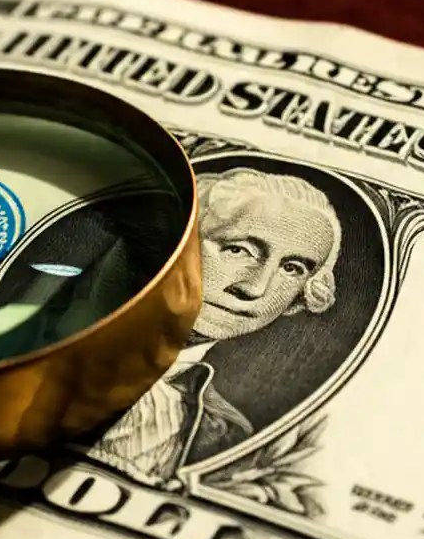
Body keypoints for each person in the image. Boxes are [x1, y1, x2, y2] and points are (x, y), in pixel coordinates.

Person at [87, 166, 342, 486]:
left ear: (301, 296)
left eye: (291, 268)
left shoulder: (226, 431)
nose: (255, 289)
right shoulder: (55, 337)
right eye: (239, 250)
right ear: (179, 240)